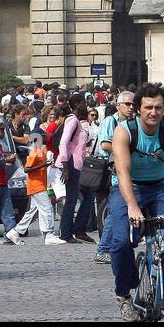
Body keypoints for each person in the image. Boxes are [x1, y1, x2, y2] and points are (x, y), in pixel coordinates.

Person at [108, 84, 164, 321]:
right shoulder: (124, 131)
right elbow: (123, 172)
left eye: (158, 107)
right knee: (121, 241)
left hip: (161, 186)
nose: (153, 112)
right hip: (128, 187)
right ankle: (124, 295)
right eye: (148, 107)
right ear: (138, 109)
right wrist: (132, 206)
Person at [93, 90, 136, 263]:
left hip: (132, 172)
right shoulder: (111, 121)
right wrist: (127, 149)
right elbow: (104, 144)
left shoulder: (133, 123)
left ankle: (120, 246)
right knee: (115, 212)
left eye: (134, 104)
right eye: (127, 104)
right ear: (118, 105)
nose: (131, 108)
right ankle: (103, 249)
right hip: (116, 173)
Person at [15, 128, 62, 243]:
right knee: (47, 208)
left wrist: (45, 165)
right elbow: (27, 169)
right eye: (44, 136)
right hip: (36, 185)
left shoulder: (40, 151)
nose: (46, 138)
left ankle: (15, 231)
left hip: (39, 184)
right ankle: (49, 234)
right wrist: (43, 165)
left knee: (33, 211)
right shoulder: (35, 151)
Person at [58, 98, 94, 243]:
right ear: (74, 106)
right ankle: (66, 233)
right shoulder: (72, 120)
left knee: (88, 195)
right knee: (72, 199)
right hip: (71, 163)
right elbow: (64, 142)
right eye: (80, 103)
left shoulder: (78, 121)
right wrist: (65, 166)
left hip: (78, 163)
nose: (83, 105)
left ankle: (79, 229)